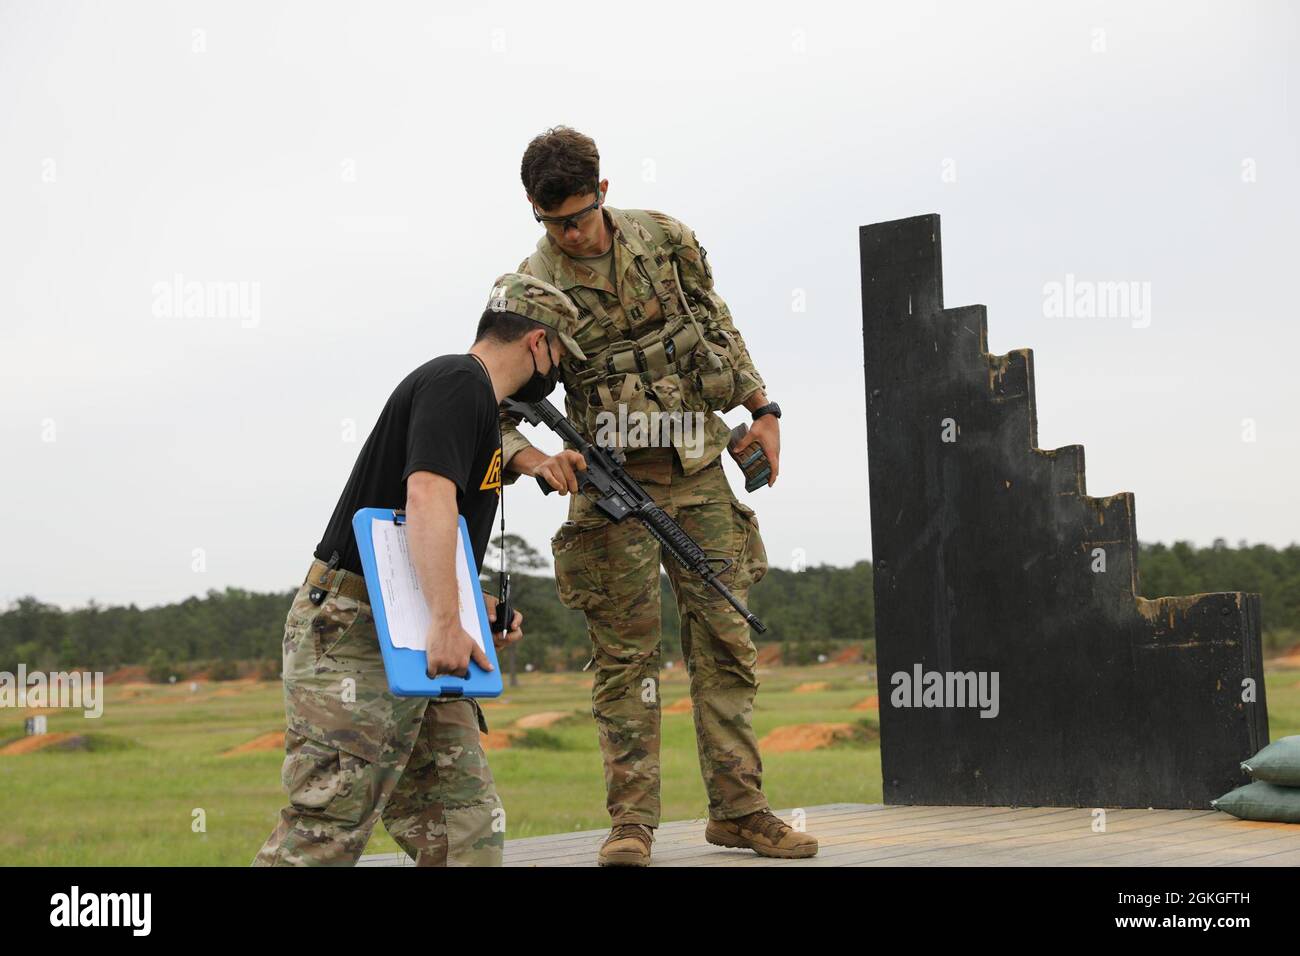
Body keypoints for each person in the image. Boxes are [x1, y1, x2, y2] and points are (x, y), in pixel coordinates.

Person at [500, 126, 818, 865]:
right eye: (554, 223)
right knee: (624, 663)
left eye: (579, 216)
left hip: (699, 469)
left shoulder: (667, 238)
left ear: (604, 192)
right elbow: (490, 400)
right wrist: (535, 460)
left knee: (727, 643)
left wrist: (762, 409)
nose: (571, 235)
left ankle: (741, 812)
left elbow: (714, 324)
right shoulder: (530, 289)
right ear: (533, 212)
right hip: (610, 490)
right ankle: (632, 825)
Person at [253, 273, 585, 866]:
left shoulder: (481, 408)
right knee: (328, 824)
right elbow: (427, 495)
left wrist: (469, 609)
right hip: (356, 630)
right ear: (538, 343)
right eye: (560, 355)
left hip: (408, 628)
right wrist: (444, 619)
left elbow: (424, 533)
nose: (558, 372)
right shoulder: (459, 381)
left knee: (464, 827)